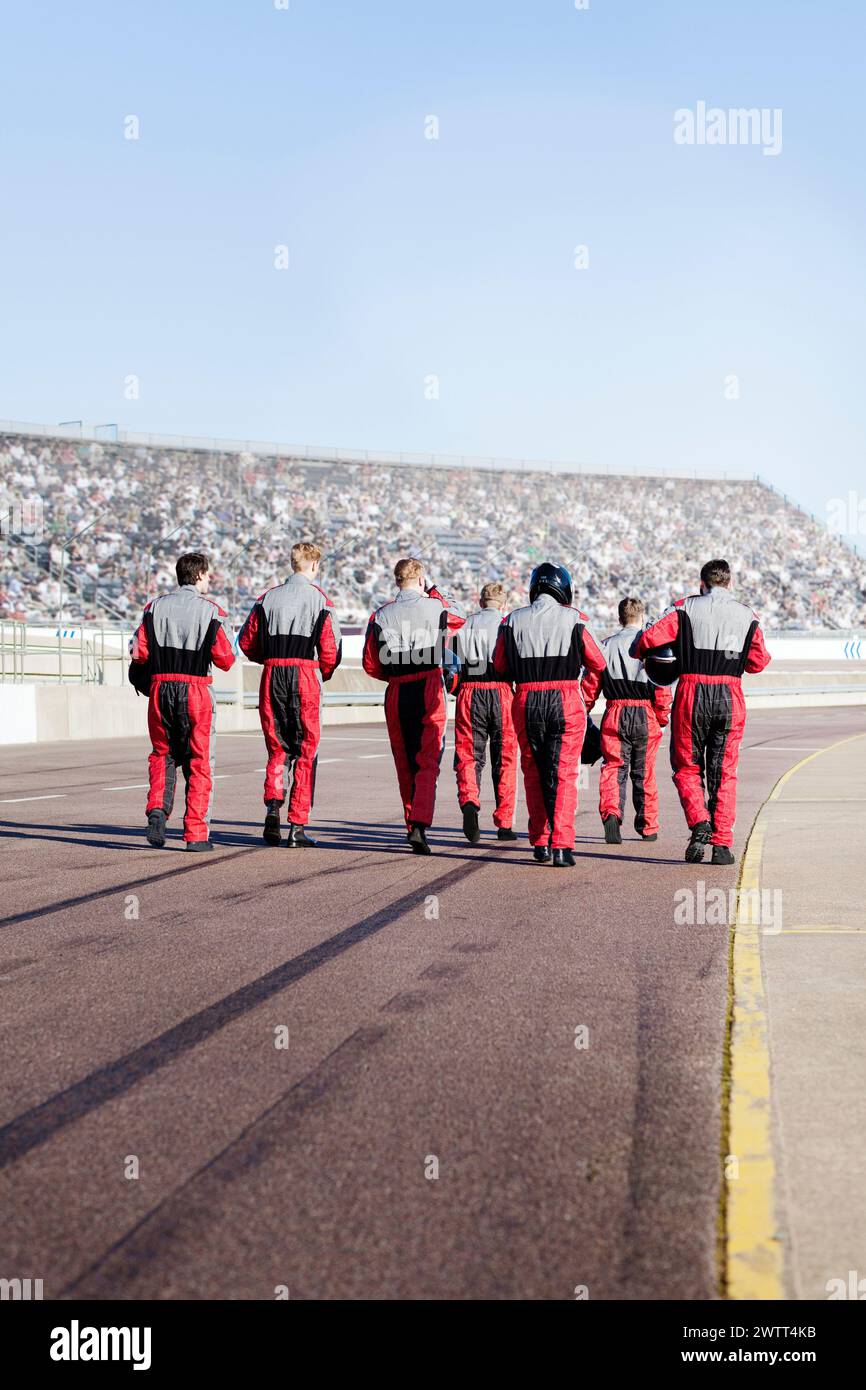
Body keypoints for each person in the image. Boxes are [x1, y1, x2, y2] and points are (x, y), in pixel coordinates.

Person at [633, 558, 771, 865]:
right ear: (729, 583)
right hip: (730, 694)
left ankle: (700, 821)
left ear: (702, 583)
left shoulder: (683, 608)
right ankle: (721, 846)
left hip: (692, 693)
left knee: (686, 766)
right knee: (724, 773)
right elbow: (759, 662)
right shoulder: (747, 614)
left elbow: (644, 641)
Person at [493, 562, 606, 867]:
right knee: (564, 774)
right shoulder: (575, 618)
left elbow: (499, 663)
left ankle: (540, 842)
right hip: (566, 697)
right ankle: (562, 846)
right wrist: (584, 696)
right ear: (563, 587)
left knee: (533, 771)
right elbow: (599, 661)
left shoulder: (511, 620)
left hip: (526, 697)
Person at [238, 541, 342, 847]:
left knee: (277, 747)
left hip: (272, 674)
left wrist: (267, 658)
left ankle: (273, 805)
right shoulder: (320, 599)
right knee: (307, 749)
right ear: (313, 566)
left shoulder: (266, 598)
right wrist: (323, 671)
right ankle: (297, 826)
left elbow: (246, 642)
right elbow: (330, 650)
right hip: (304, 675)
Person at [130, 551, 235, 851]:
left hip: (161, 689)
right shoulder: (212, 611)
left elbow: (140, 652)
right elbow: (226, 659)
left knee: (163, 754)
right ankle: (196, 835)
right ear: (200, 575)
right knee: (200, 761)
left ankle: (157, 811)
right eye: (208, 575)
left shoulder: (154, 607)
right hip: (196, 691)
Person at [362, 557, 464, 854]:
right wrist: (433, 587)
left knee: (404, 761)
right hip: (428, 684)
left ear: (397, 581)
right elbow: (459, 616)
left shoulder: (380, 615)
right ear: (421, 579)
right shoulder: (436, 606)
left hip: (398, 688)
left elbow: (371, 663)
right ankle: (420, 822)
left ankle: (411, 824)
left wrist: (394, 676)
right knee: (429, 758)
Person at [581, 597, 672, 845]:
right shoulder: (650, 646)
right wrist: (662, 718)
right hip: (645, 713)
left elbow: (590, 686)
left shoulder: (605, 646)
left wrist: (584, 711)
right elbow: (661, 685)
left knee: (613, 768)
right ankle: (648, 826)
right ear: (641, 616)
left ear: (620, 618)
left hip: (615, 711)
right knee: (644, 774)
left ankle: (611, 812)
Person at [451, 581, 518, 844]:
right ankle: (504, 824)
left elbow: (451, 667)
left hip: (470, 690)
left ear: (480, 602)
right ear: (503, 604)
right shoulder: (507, 624)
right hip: (501, 692)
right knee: (505, 759)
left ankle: (469, 800)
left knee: (468, 755)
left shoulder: (464, 625)